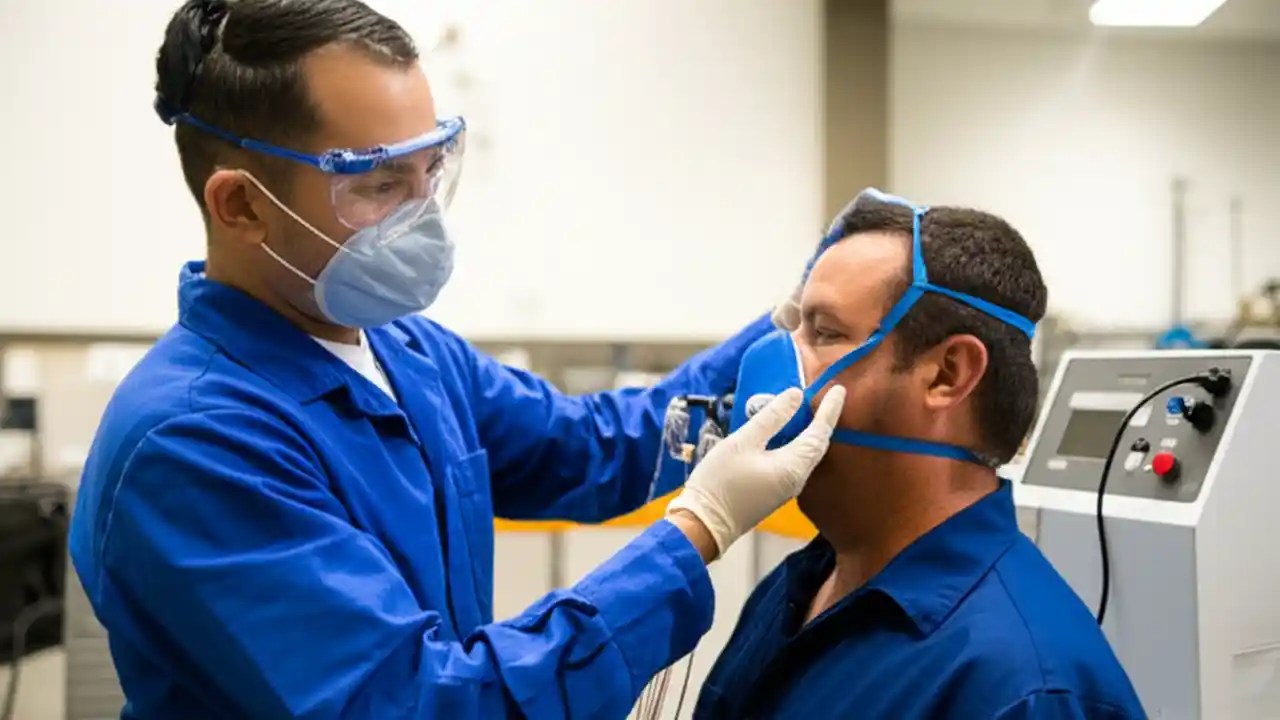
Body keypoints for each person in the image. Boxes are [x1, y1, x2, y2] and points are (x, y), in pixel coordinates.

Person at [67, 1, 845, 717]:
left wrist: (792, 328)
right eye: (376, 184)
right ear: (240, 205)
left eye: (429, 170)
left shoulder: (405, 350)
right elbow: (426, 703)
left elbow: (586, 447)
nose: (421, 218)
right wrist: (693, 532)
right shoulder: (194, 445)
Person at [695, 190, 1146, 719]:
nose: (779, 363)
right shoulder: (798, 587)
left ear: (948, 374)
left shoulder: (1025, 687)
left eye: (825, 333)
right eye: (792, 328)